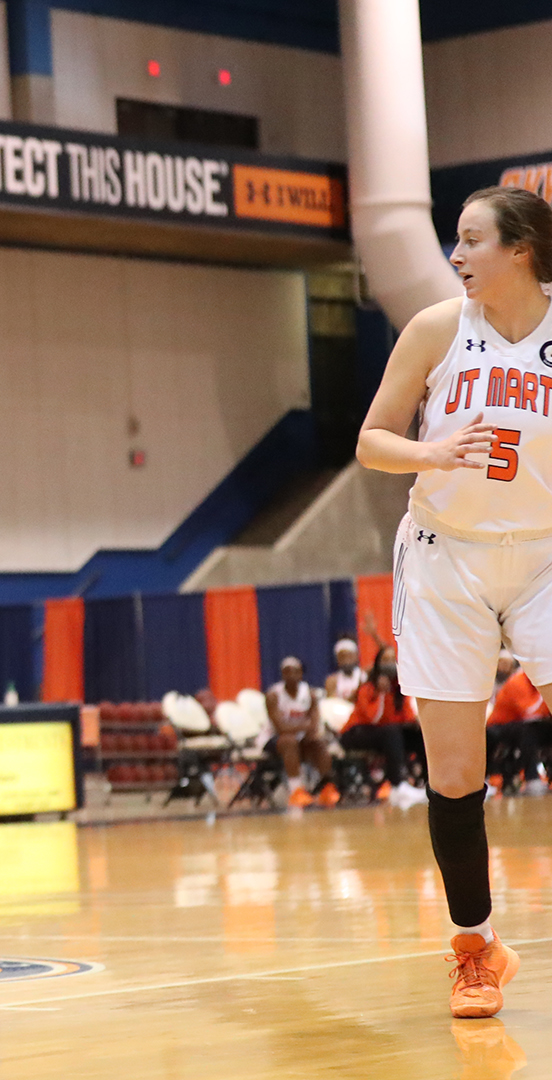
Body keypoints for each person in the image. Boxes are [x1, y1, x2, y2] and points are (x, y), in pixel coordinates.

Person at [356, 184, 552, 1016]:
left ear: (522, 249)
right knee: (456, 769)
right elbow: (372, 441)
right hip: (446, 559)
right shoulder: (438, 329)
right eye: (454, 241)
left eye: (471, 241)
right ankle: (474, 948)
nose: (456, 255)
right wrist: (430, 454)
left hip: (545, 554)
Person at [341, 659, 426, 807]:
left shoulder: (399, 693)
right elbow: (373, 718)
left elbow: (408, 718)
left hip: (388, 735)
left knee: (419, 734)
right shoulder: (367, 689)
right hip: (356, 733)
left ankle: (428, 783)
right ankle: (397, 785)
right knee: (391, 732)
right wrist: (381, 693)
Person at [264, 656, 334, 806]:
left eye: (295, 671)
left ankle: (326, 788)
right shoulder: (273, 695)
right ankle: (296, 791)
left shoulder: (309, 694)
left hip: (300, 739)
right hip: (273, 739)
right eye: (287, 672)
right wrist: (304, 725)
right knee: (289, 740)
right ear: (282, 674)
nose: (292, 675)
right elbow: (280, 728)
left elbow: (314, 725)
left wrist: (303, 727)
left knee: (319, 743)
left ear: (301, 673)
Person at [485, 651, 548, 794]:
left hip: (521, 726)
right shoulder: (518, 681)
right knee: (527, 730)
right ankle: (532, 778)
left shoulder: (539, 682)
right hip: (498, 727)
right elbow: (530, 713)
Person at [327, 638, 367, 702]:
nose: (346, 660)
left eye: (350, 656)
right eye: (343, 657)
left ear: (356, 656)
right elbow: (331, 702)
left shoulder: (364, 676)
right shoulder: (332, 680)